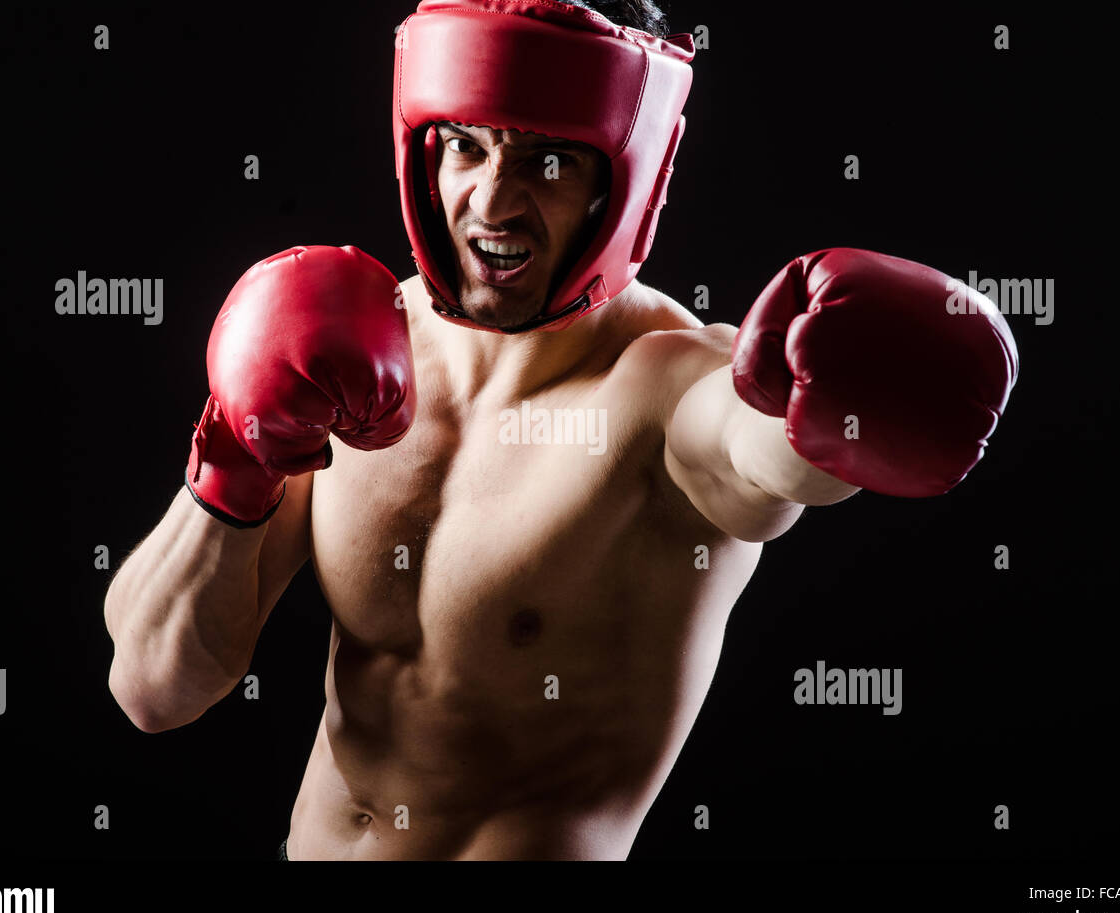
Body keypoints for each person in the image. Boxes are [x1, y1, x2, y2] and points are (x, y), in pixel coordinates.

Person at [104, 0, 1018, 860]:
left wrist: (830, 408)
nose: (493, 205)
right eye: (464, 147)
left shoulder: (668, 385)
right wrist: (233, 450)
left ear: (629, 179)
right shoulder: (350, 350)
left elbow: (760, 448)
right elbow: (154, 690)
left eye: (548, 161)